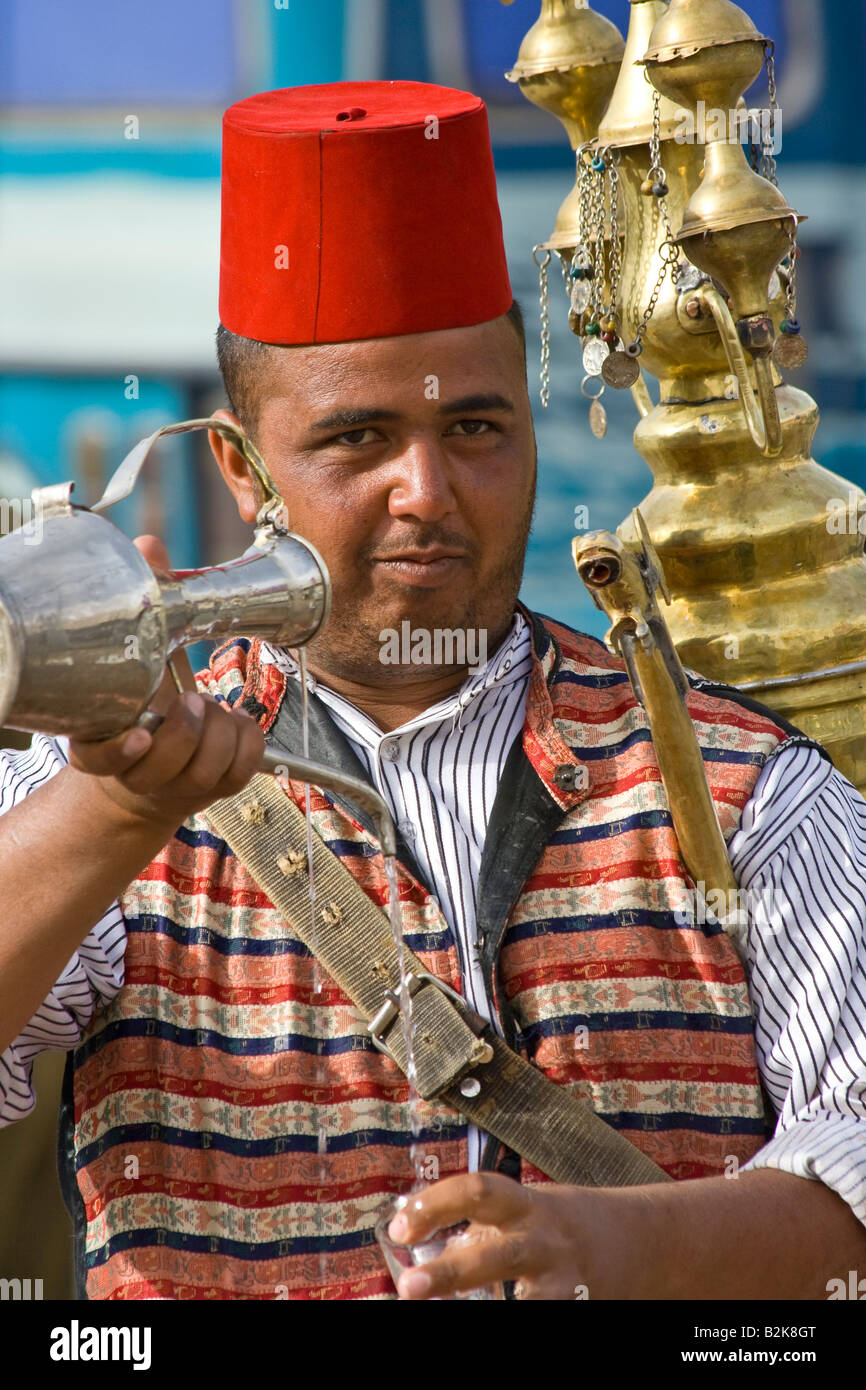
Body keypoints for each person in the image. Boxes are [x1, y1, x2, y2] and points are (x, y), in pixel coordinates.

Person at [1, 80, 865, 1302]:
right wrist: (111, 815)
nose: (427, 491)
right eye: (356, 440)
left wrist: (614, 1248)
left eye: (473, 428)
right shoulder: (89, 787)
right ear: (244, 473)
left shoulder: (739, 790)